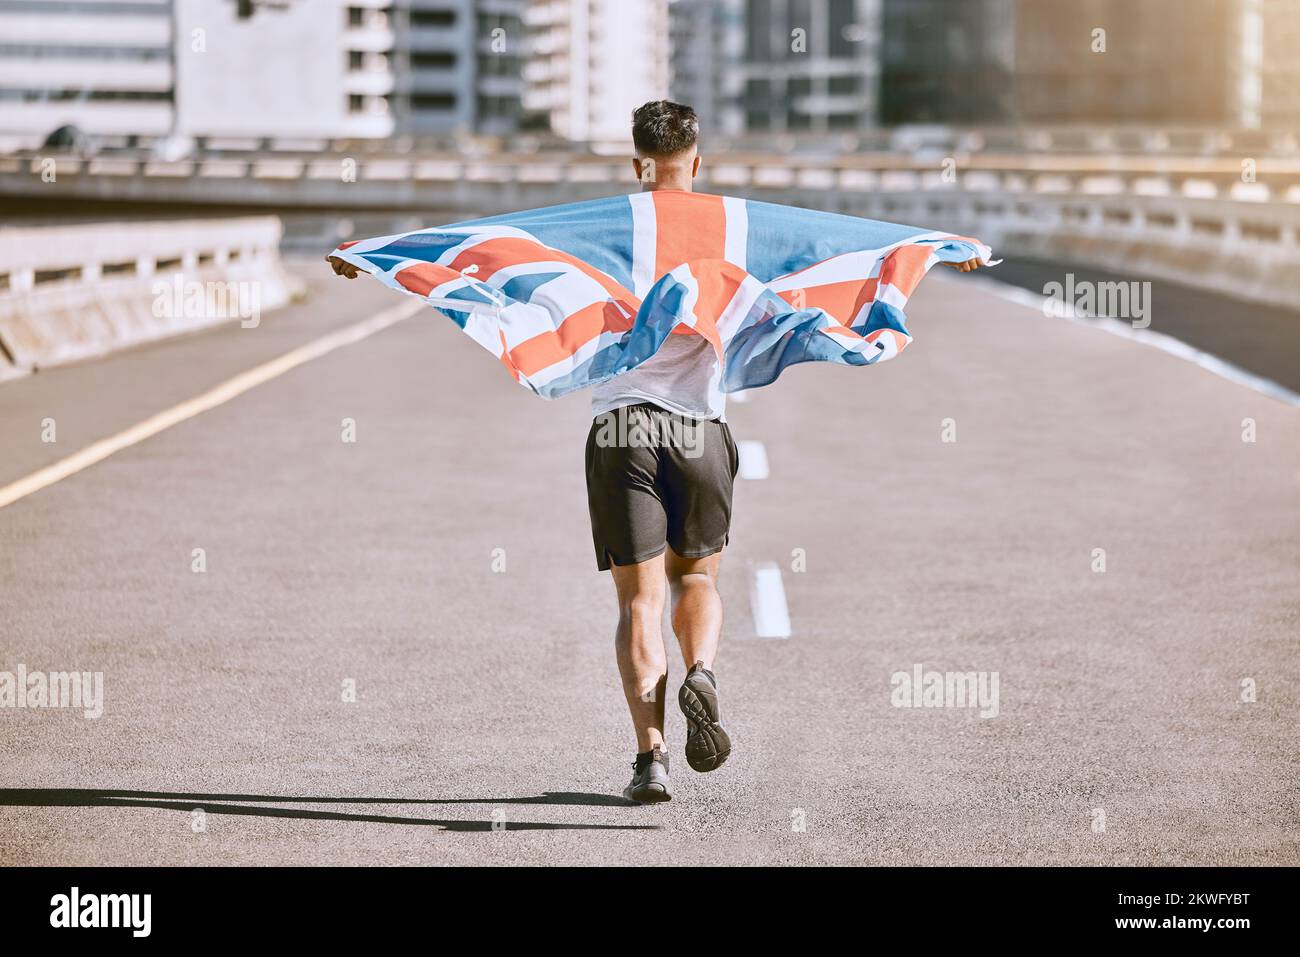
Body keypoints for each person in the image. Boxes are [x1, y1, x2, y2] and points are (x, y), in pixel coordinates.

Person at [326, 99, 984, 805]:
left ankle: (651, 757)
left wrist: (373, 255)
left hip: (621, 434)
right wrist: (937, 244)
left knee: (637, 602)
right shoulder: (736, 229)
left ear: (637, 163)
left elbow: (493, 244)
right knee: (695, 581)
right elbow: (828, 243)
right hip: (698, 433)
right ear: (696, 160)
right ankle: (702, 667)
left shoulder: (597, 229)